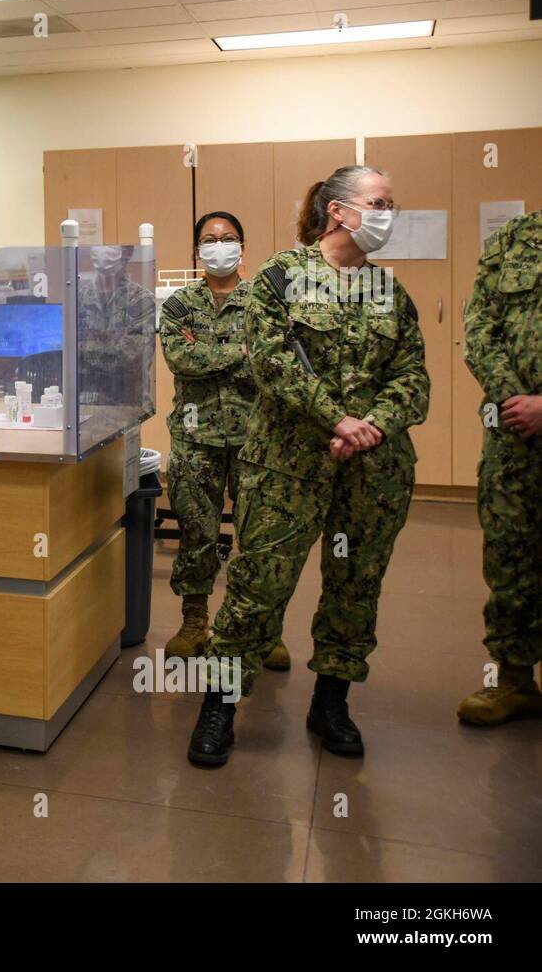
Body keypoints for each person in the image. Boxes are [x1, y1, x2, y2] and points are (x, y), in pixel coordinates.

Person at [186, 165, 430, 768]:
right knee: (257, 585)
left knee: (355, 587)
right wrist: (336, 419)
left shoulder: (389, 291)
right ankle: (220, 706)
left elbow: (413, 377)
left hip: (372, 471)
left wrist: (371, 424)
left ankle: (331, 703)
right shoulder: (280, 277)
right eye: (379, 203)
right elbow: (271, 363)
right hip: (287, 468)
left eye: (391, 204)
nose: (388, 214)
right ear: (338, 211)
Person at [159, 211, 288, 670]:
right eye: (210, 239)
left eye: (228, 238)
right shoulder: (179, 305)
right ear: (198, 251)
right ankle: (194, 623)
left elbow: (271, 361)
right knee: (197, 534)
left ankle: (263, 631)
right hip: (196, 439)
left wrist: (211, 352)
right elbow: (180, 358)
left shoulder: (263, 302)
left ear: (243, 248)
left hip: (256, 438)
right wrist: (240, 351)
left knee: (260, 538)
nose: (219, 246)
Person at [457, 208, 542, 725]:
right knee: (511, 551)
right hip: (514, 436)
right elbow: (479, 328)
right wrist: (515, 400)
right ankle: (514, 677)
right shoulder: (514, 239)